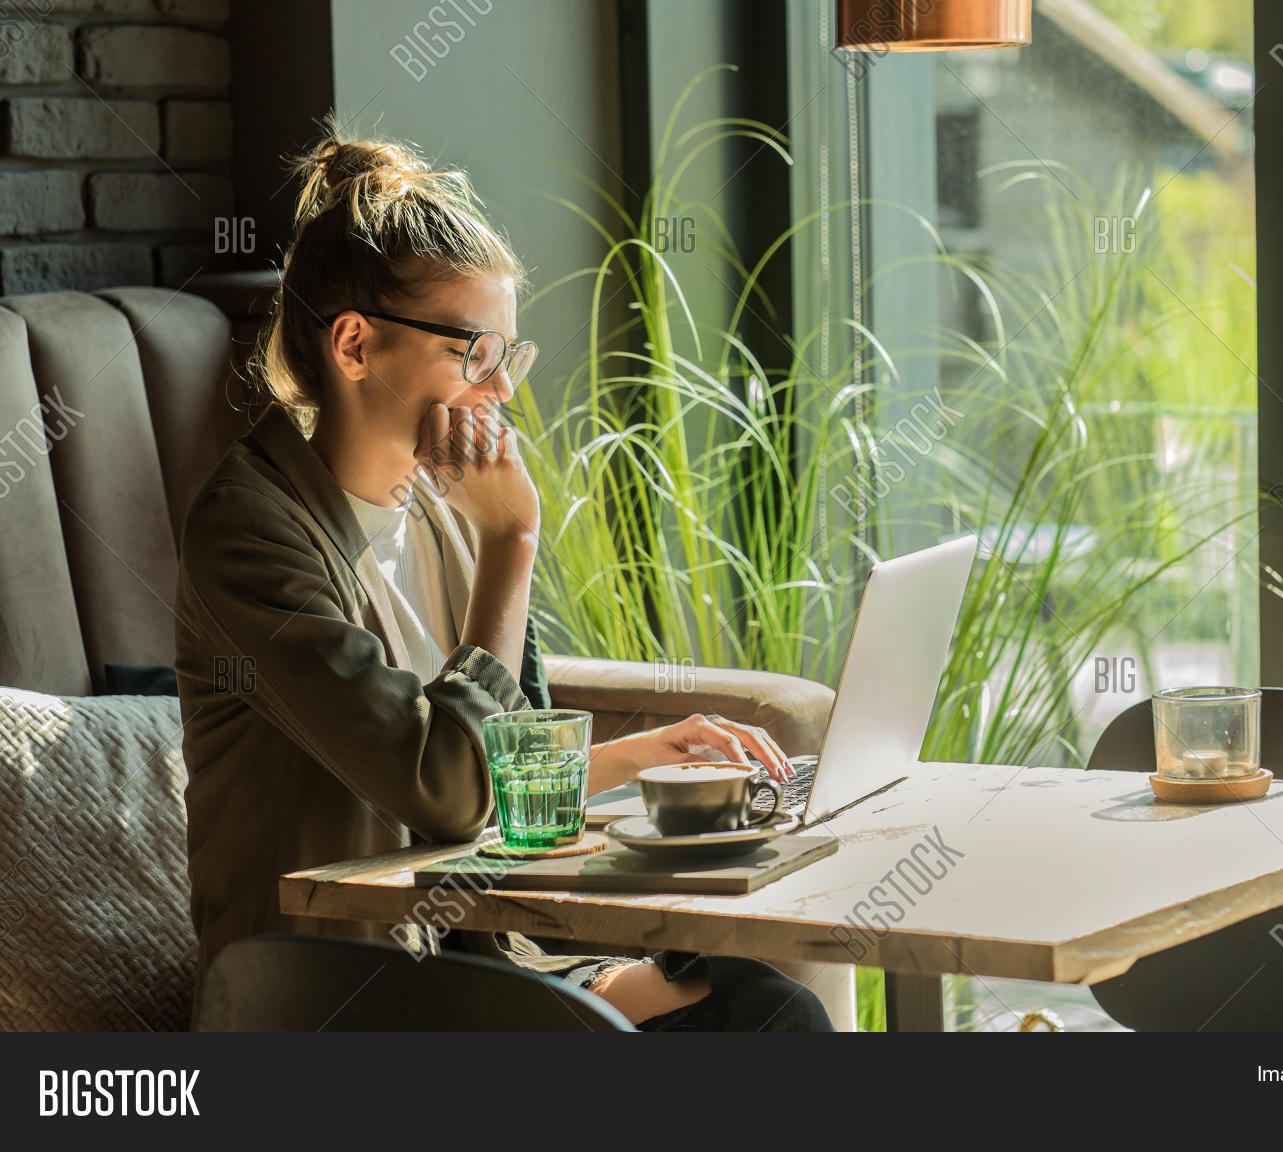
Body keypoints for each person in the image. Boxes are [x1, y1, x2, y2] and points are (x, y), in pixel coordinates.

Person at [173, 129, 832, 1032]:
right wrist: (515, 542)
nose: (500, 392)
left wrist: (640, 758)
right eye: (472, 354)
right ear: (356, 345)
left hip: (480, 959)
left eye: (506, 358)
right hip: (337, 992)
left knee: (760, 1008)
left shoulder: (446, 509)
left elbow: (494, 782)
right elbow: (442, 786)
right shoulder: (250, 530)